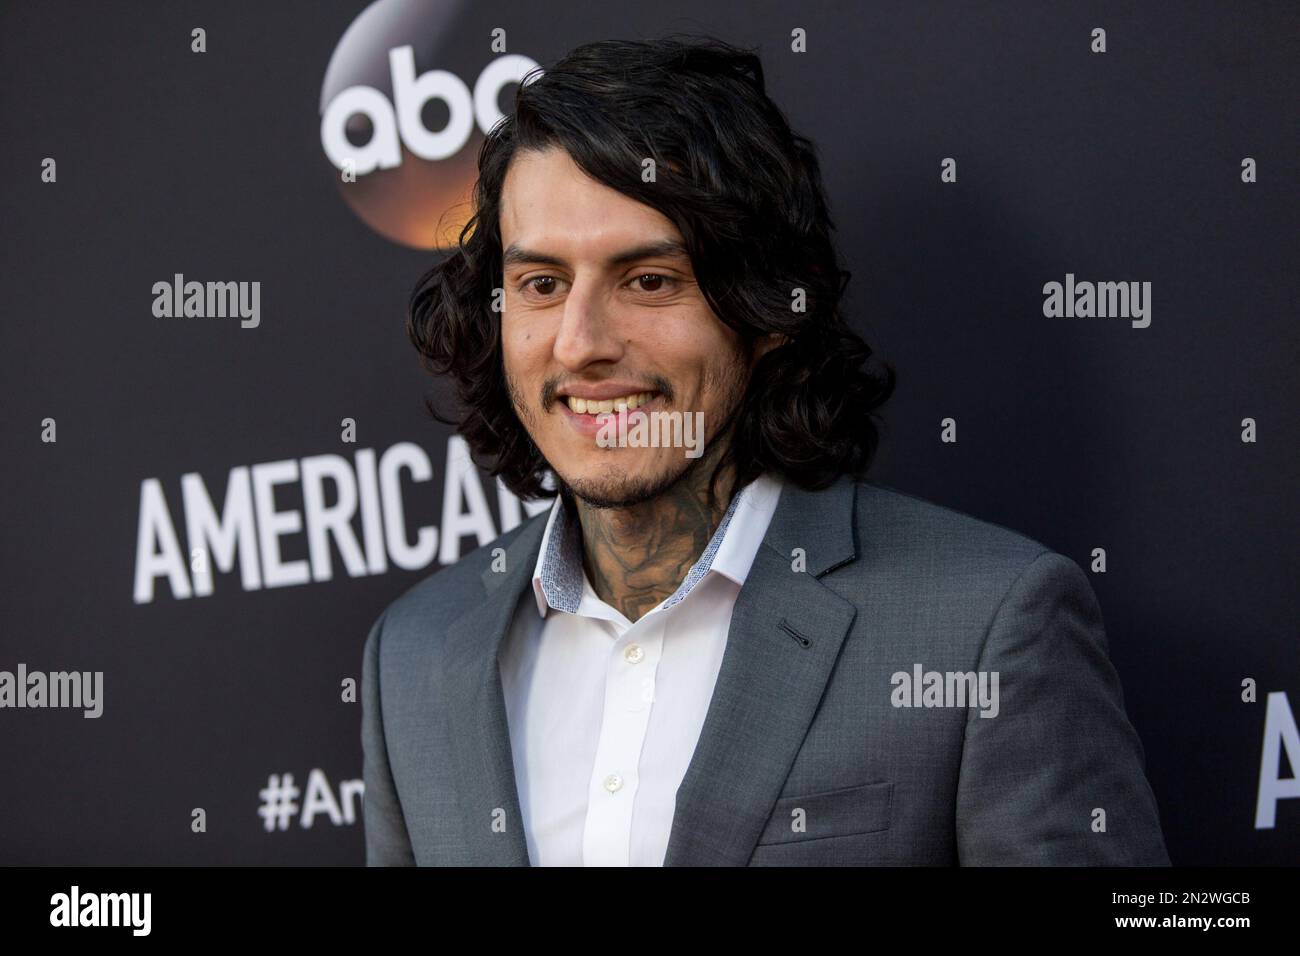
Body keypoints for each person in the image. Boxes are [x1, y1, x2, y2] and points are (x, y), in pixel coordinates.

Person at [360, 35, 1170, 866]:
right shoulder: (416, 657)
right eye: (542, 284)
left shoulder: (986, 625)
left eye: (648, 280)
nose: (579, 345)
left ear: (772, 310)